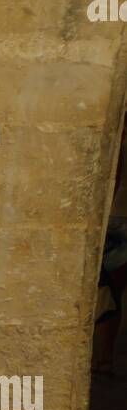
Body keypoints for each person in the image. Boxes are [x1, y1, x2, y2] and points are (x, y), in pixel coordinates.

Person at [93, 115, 127, 375]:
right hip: (120, 220)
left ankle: (103, 358)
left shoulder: (121, 140)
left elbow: (111, 179)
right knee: (114, 290)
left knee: (111, 290)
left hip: (118, 219)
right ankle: (104, 357)